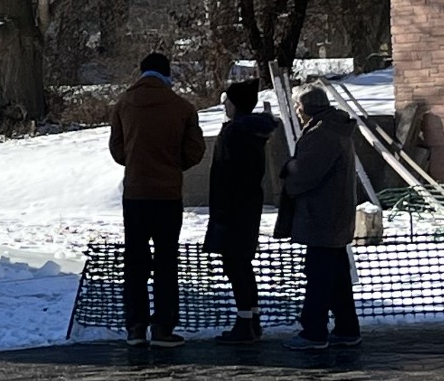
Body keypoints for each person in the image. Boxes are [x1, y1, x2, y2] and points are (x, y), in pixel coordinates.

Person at [108, 52, 206, 348]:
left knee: (135, 261)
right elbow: (195, 151)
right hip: (168, 195)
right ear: (167, 73)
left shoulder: (123, 104)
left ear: (141, 72)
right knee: (166, 261)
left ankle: (135, 327)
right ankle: (163, 327)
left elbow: (117, 151)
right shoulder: (182, 107)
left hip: (135, 195)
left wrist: (137, 163)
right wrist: (171, 165)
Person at [280, 86, 361, 350]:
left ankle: (313, 331)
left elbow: (304, 175)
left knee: (318, 275)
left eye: (298, 106)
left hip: (321, 216)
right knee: (337, 276)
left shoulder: (320, 135)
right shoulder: (337, 129)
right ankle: (347, 328)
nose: (297, 111)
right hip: (336, 215)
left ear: (305, 107)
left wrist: (288, 169)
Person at [204, 79, 278, 344]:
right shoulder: (255, 133)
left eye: (227, 101)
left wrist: (221, 209)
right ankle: (251, 319)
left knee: (234, 264)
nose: (224, 105)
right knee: (243, 264)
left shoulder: (233, 133)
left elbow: (225, 173)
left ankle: (245, 323)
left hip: (230, 207)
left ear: (235, 104)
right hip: (249, 205)